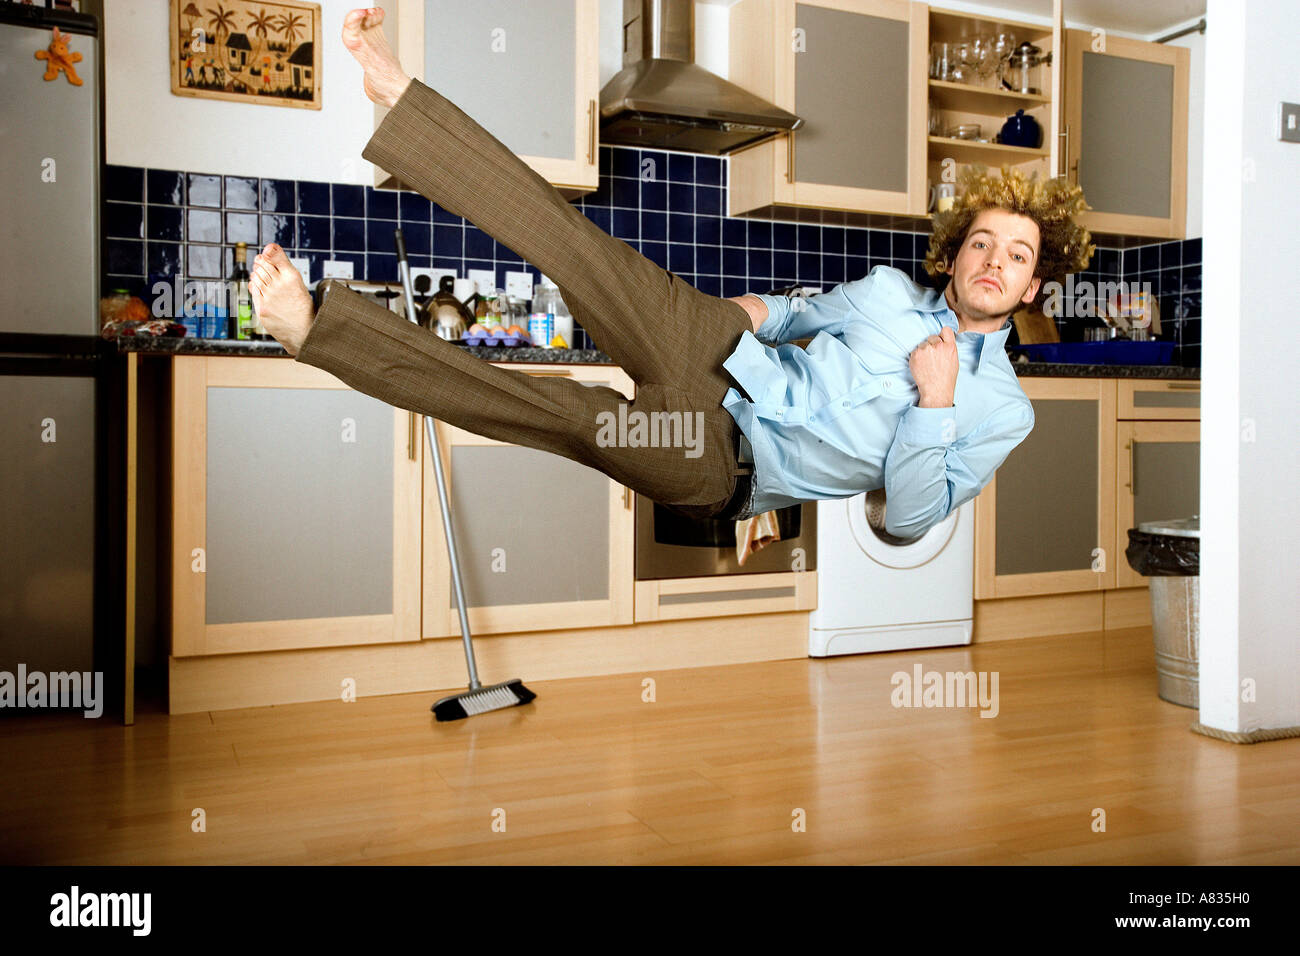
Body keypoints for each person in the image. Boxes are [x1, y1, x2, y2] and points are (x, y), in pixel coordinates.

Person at [250, 8, 1094, 537]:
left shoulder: (1002, 413)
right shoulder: (883, 290)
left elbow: (909, 519)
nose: (994, 262)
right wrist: (769, 311)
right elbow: (810, 313)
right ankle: (404, 101)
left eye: (1017, 256)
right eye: (983, 241)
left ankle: (319, 330)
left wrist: (937, 406)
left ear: (1032, 287)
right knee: (582, 248)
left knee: (569, 417)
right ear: (954, 250)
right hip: (715, 347)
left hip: (720, 460)